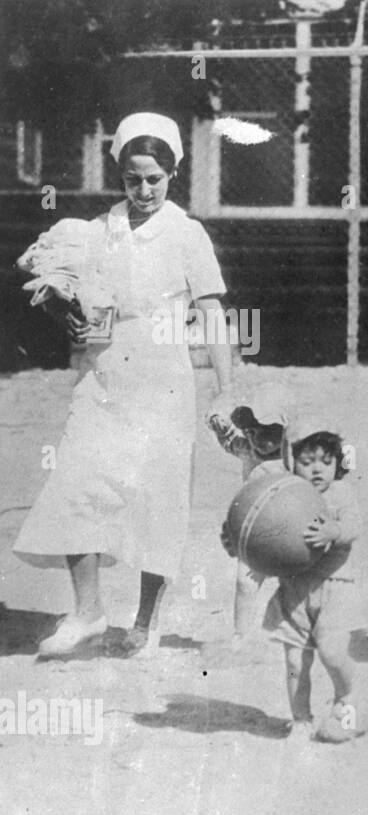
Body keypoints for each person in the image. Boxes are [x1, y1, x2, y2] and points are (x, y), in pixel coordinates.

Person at [13, 112, 233, 659]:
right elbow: (81, 301)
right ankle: (87, 613)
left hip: (164, 379)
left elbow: (211, 312)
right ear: (120, 176)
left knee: (157, 500)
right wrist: (69, 314)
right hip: (105, 373)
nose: (143, 190)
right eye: (133, 179)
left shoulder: (187, 233)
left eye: (154, 178)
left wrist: (227, 389)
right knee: (75, 483)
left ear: (173, 173)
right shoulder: (97, 231)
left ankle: (145, 620)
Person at [243, 417, 362, 744]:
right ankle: (301, 719)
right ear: (291, 462)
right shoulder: (284, 494)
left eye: (326, 461)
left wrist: (334, 531)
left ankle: (346, 693)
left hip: (335, 587)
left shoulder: (341, 492)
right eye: (307, 462)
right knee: (295, 660)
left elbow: (353, 526)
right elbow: (272, 535)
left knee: (332, 651)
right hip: (293, 590)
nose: (318, 470)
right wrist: (262, 563)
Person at [204, 382, 294, 661]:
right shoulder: (247, 449)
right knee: (245, 584)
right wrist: (217, 420)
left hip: (292, 532)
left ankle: (300, 633)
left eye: (269, 431)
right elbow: (226, 435)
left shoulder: (296, 456)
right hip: (256, 532)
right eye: (253, 431)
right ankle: (241, 636)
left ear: (286, 429)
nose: (260, 439)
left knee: (297, 588)